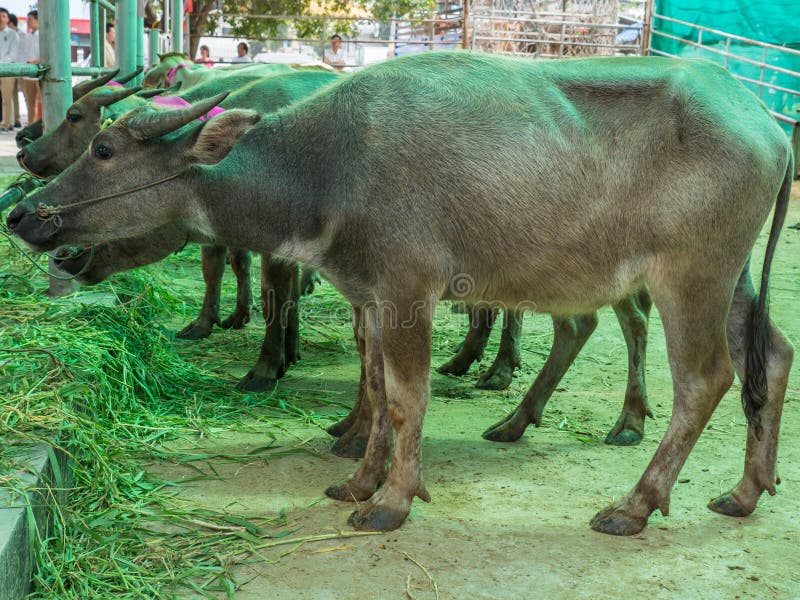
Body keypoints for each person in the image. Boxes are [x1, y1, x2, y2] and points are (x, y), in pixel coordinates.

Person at [17, 9, 38, 127]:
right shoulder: (27, 36)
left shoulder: (44, 36)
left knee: (42, 102)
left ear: (37, 20)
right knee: (29, 102)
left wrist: (37, 61)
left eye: (30, 19)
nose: (27, 22)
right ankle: (31, 124)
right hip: (28, 74)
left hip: (40, 73)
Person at [0, 7, 19, 133]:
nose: (0, 19)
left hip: (7, 70)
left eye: (3, 16)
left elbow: (13, 55)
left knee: (7, 99)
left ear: (8, 19)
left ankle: (7, 124)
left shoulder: (13, 34)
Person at [7, 11, 19, 127]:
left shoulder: (17, 34)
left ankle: (13, 120)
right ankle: (15, 119)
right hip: (15, 67)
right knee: (12, 96)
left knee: (11, 96)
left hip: (16, 68)